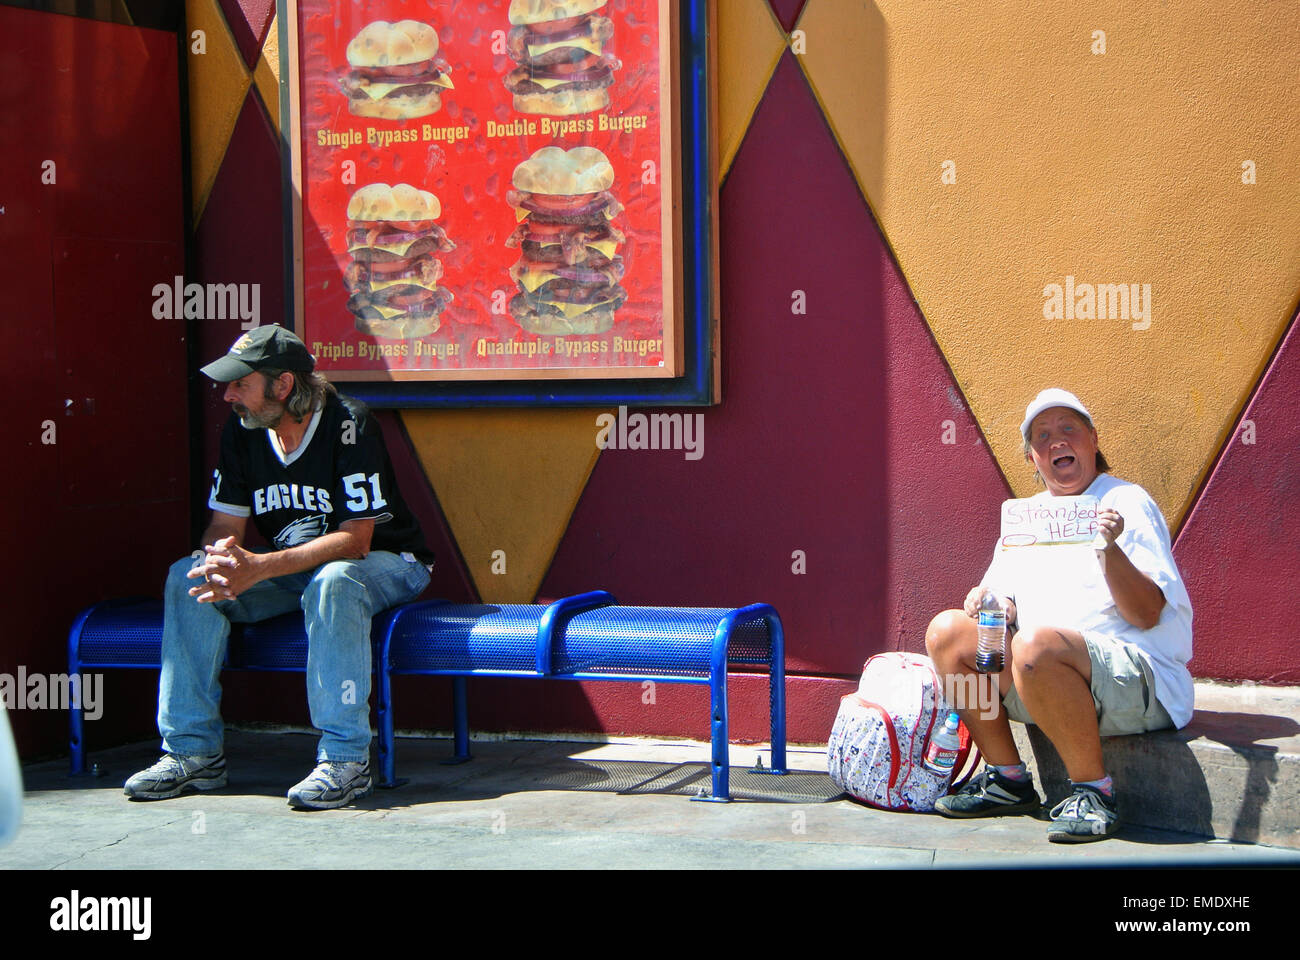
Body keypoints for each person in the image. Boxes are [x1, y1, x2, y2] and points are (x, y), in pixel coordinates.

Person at [124, 325, 434, 810]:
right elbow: (224, 523)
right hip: (293, 571)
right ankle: (192, 752)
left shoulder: (348, 422)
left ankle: (346, 760)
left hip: (388, 563)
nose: (228, 395)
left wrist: (262, 566)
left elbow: (357, 541)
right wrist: (222, 559)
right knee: (187, 577)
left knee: (334, 583)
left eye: (240, 384)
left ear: (283, 385)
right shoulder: (243, 429)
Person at [926, 388, 1193, 842]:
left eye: (1068, 429)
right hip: (1045, 680)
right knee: (948, 631)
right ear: (1032, 458)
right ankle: (1008, 779)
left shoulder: (1126, 502)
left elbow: (1147, 613)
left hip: (1139, 682)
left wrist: (1109, 551)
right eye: (1042, 436)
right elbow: (1000, 601)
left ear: (1092, 439)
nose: (1056, 441)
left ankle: (1095, 792)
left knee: (1035, 645)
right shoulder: (1027, 518)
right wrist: (991, 605)